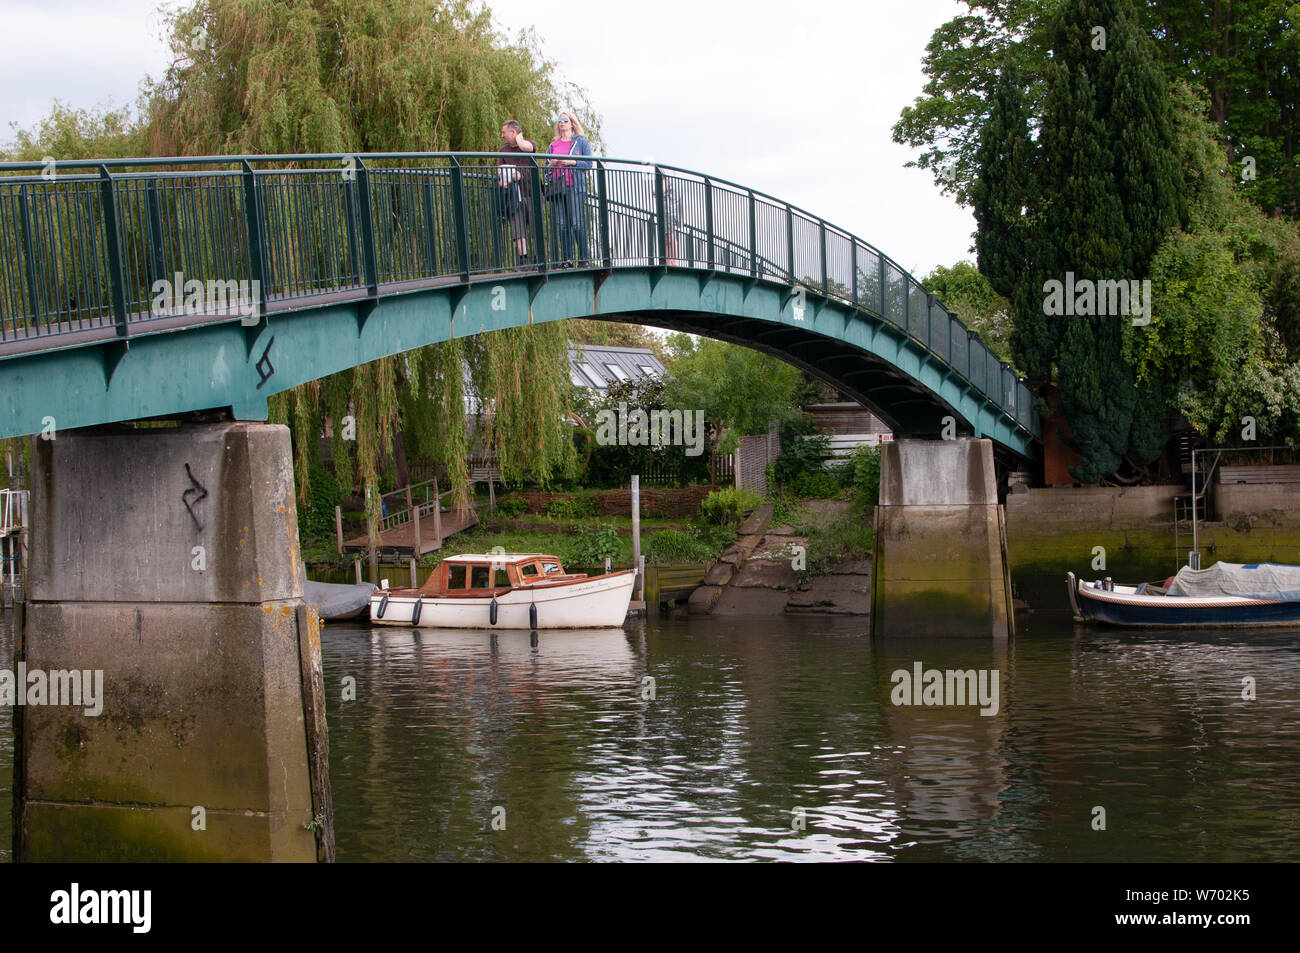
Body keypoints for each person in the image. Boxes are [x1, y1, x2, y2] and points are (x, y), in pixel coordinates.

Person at [544, 111, 594, 267]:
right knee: (562, 225)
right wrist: (551, 164)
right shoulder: (553, 145)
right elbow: (545, 170)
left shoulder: (580, 142)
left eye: (565, 120)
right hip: (558, 189)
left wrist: (572, 162)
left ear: (572, 123)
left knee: (577, 222)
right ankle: (567, 259)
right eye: (560, 121)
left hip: (575, 186)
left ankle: (583, 259)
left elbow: (589, 164)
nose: (562, 123)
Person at [498, 120, 536, 268]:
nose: (502, 135)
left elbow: (528, 148)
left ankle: (537, 258)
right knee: (517, 228)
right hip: (512, 194)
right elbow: (500, 170)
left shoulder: (528, 143)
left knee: (534, 226)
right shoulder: (503, 151)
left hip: (531, 192)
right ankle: (523, 259)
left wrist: (519, 138)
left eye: (504, 132)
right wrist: (511, 175)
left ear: (513, 132)